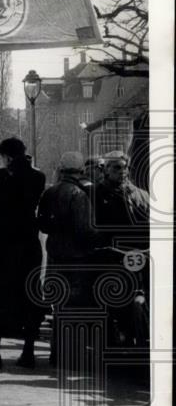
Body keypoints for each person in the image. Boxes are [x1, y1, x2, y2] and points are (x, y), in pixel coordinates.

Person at [0, 137, 47, 370]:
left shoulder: (4, 175)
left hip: (5, 247)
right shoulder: (39, 176)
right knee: (30, 296)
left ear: (6, 155)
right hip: (28, 245)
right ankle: (28, 353)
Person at [37, 152, 96, 366]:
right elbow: (84, 229)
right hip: (76, 259)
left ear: (61, 170)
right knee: (75, 308)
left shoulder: (49, 193)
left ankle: (57, 353)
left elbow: (42, 224)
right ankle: (71, 356)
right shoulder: (79, 195)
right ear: (80, 171)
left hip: (55, 256)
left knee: (59, 306)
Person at [91, 150, 151, 346]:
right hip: (110, 257)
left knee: (142, 297)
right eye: (116, 167)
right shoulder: (95, 195)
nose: (122, 171)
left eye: (125, 168)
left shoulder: (141, 195)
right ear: (105, 170)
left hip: (139, 258)